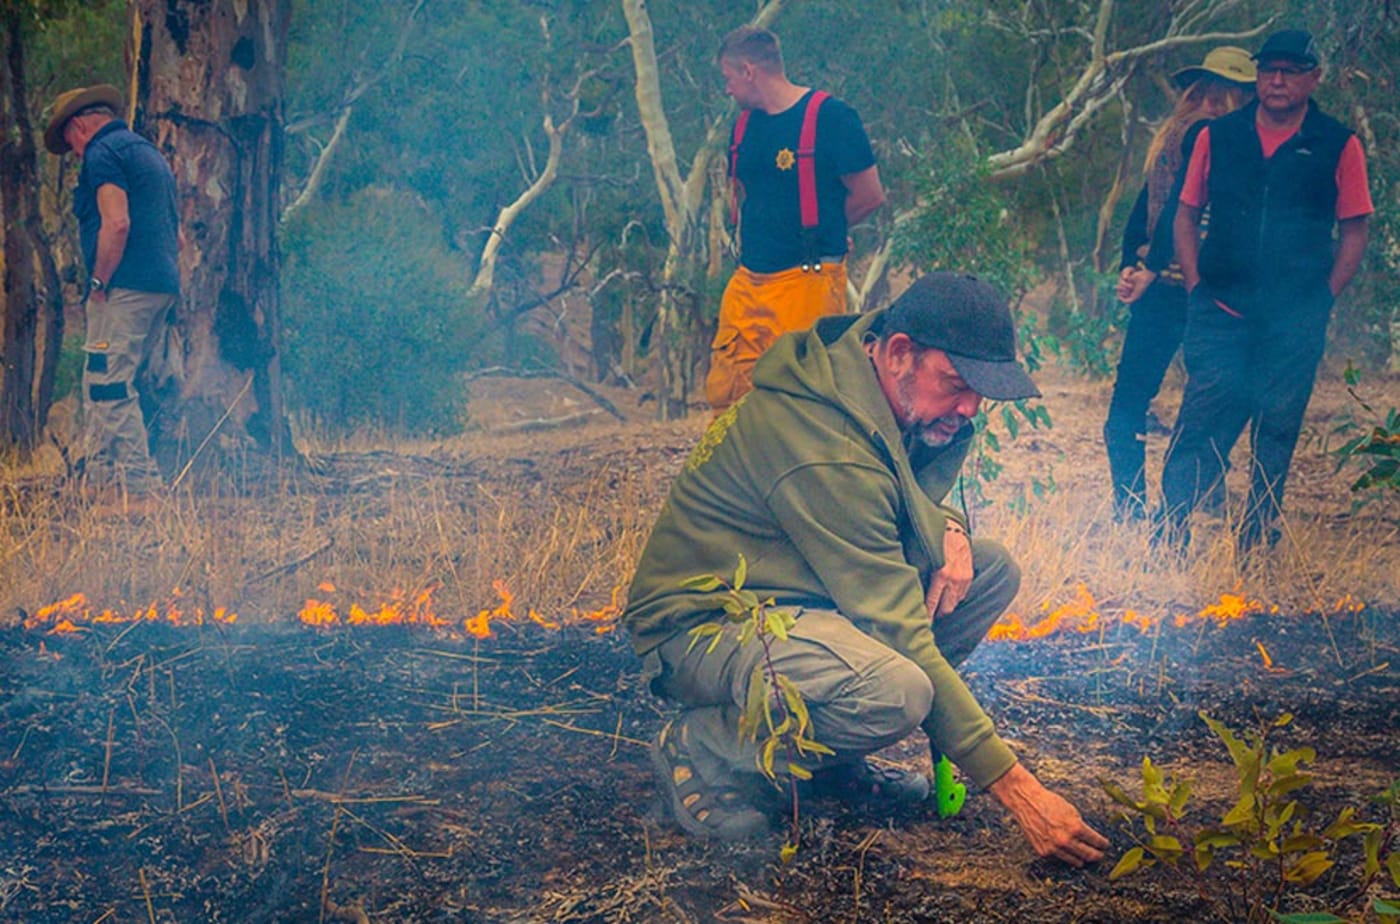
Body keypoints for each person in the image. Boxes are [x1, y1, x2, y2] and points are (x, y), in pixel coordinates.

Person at [625, 273, 1109, 866]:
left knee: (987, 573)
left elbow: (895, 500)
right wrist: (1021, 793)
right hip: (701, 627)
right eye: (957, 384)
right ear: (900, 351)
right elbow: (897, 624)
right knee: (894, 690)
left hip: (805, 593)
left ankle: (826, 759)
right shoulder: (821, 440)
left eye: (979, 393)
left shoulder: (867, 378)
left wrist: (949, 526)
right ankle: (706, 745)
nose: (970, 408)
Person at [1159, 29, 1373, 553]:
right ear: (1257, 76)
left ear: (1313, 78)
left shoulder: (1337, 143)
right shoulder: (1219, 136)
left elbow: (1355, 229)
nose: (1276, 81)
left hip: (1294, 321)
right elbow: (1187, 214)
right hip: (1220, 311)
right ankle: (1168, 538)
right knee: (1198, 425)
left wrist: (1323, 297)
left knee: (1276, 432)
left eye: (1290, 71)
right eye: (1268, 70)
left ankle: (1255, 544)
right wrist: (1195, 287)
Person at [1104, 48, 1255, 521]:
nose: (1214, 99)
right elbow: (1155, 206)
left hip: (1203, 289)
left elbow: (1178, 212)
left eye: (1226, 89)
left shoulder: (1234, 143)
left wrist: (1146, 265)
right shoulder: (1181, 137)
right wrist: (1135, 262)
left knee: (1200, 403)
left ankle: (1169, 510)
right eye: (1209, 87)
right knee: (1134, 408)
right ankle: (1138, 513)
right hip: (1173, 290)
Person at [705, 26, 886, 414]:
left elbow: (870, 196)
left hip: (806, 283)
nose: (728, 90)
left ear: (749, 71)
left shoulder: (832, 118)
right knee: (731, 395)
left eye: (728, 78)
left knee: (801, 407)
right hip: (747, 282)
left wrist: (828, 233)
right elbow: (749, 195)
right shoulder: (743, 127)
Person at [44, 84, 180, 496]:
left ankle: (141, 485)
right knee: (100, 378)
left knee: (110, 385)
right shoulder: (146, 151)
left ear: (80, 126)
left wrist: (100, 282)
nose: (74, 154)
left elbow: (116, 222)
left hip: (124, 289)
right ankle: (101, 478)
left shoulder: (103, 154)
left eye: (70, 143)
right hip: (160, 286)